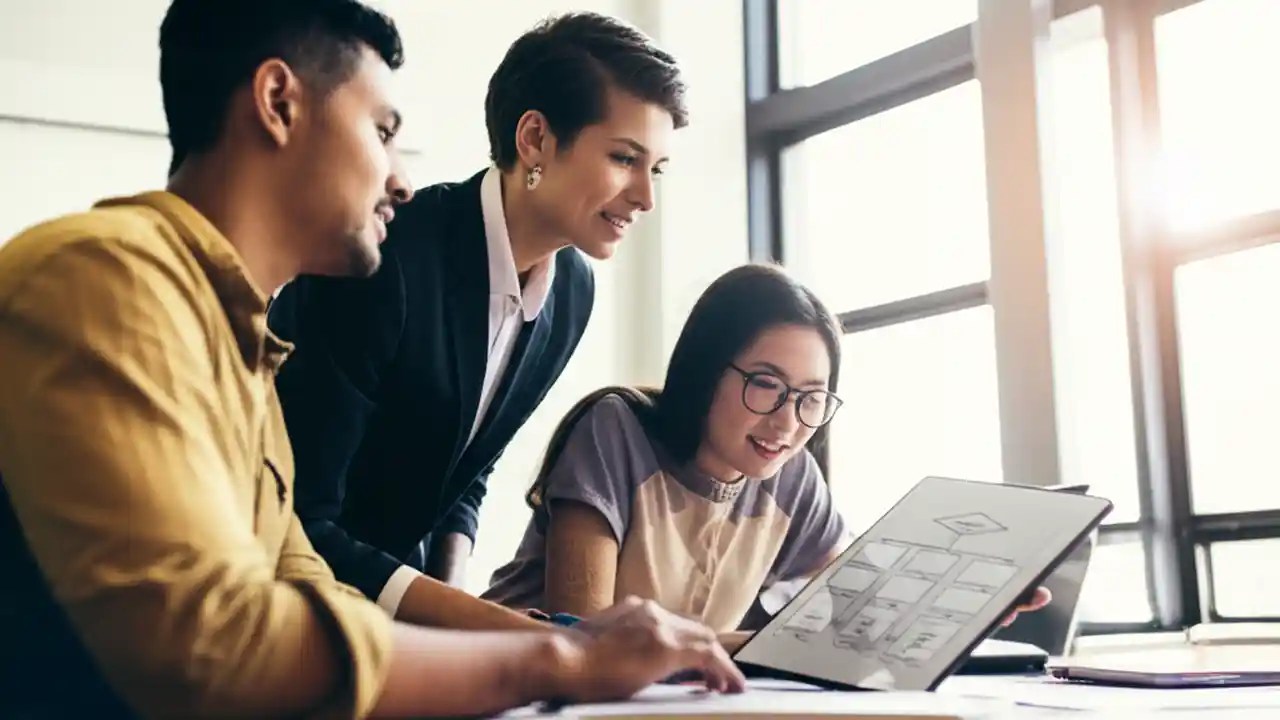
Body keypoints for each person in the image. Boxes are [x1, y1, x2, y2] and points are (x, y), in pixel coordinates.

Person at [0, 2, 741, 717]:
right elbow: (216, 643)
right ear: (278, 101)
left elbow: (305, 583)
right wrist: (561, 660)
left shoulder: (237, 338)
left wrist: (545, 642)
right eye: (382, 131)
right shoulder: (102, 277)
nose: (401, 179)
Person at [267, 11, 687, 628]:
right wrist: (501, 630)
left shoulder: (572, 291)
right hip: (286, 610)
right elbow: (297, 520)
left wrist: (457, 601)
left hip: (401, 610)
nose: (646, 197)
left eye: (657, 168)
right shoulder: (381, 260)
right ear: (535, 139)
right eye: (625, 158)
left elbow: (465, 469)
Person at [484, 265, 1049, 648]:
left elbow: (861, 612)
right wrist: (768, 649)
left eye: (810, 398)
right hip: (501, 684)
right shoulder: (617, 430)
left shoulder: (791, 476)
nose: (786, 422)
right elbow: (582, 633)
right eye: (765, 384)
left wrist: (965, 605)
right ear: (707, 368)